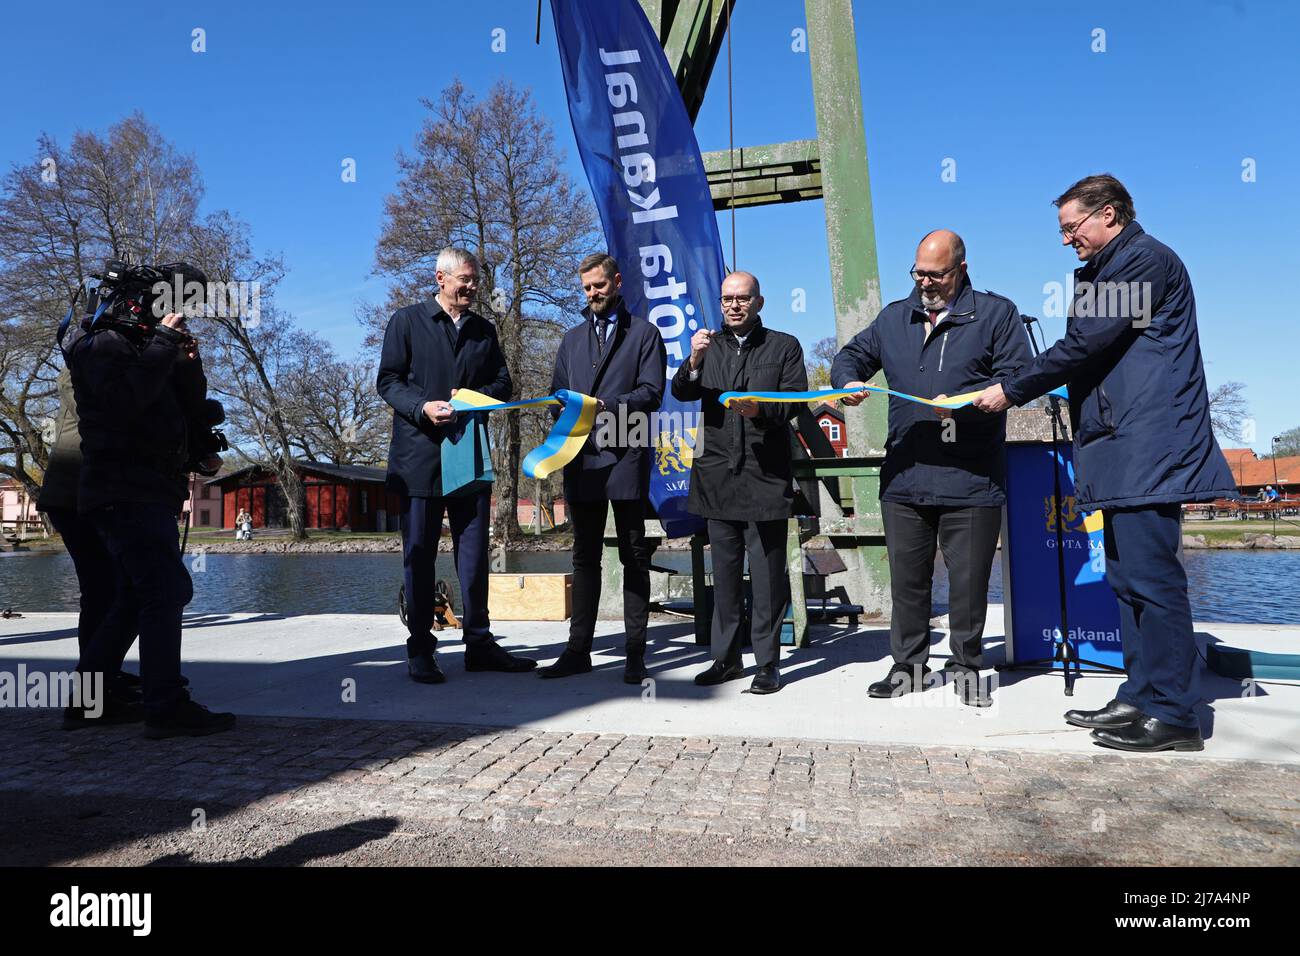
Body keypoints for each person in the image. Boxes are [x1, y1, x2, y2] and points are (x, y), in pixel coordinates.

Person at [972, 174, 1236, 753]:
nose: (1066, 240)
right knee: (1126, 579)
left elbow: (1086, 344)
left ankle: (1174, 715)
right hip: (1120, 445)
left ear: (1109, 215)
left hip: (1150, 444)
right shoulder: (1106, 270)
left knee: (1154, 579)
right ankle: (1140, 694)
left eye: (1072, 227)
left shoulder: (1143, 261)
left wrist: (1010, 389)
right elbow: (1089, 348)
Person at [831, 230, 1032, 707]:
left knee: (967, 583)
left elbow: (1020, 376)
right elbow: (850, 355)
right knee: (908, 580)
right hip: (905, 474)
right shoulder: (894, 318)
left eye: (935, 274)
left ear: (960, 268)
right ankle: (908, 668)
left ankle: (965, 666)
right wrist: (848, 379)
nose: (925, 281)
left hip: (972, 477)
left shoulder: (994, 314)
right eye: (918, 272)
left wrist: (966, 404)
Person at [63, 262, 234, 738]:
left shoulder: (144, 345)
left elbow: (186, 408)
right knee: (165, 591)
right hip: (122, 489)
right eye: (178, 302)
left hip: (147, 488)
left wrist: (186, 361)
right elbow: (124, 405)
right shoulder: (102, 344)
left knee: (136, 595)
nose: (184, 312)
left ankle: (87, 704)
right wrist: (162, 343)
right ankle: (165, 706)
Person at [377, 246, 537, 684]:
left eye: (475, 279)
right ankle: (420, 649)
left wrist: (471, 399)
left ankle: (479, 643)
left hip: (468, 452)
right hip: (420, 457)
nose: (471, 286)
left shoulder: (484, 330)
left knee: (474, 553)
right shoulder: (406, 321)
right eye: (463, 279)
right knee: (420, 555)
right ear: (440, 278)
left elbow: (503, 382)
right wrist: (422, 407)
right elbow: (387, 381)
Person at [671, 271, 806, 695]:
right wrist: (692, 361)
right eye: (727, 298)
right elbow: (681, 392)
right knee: (725, 576)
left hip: (765, 476)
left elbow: (795, 402)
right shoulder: (707, 347)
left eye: (742, 298)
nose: (734, 305)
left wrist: (759, 411)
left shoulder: (784, 346)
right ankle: (725, 659)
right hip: (716, 475)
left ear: (759, 303)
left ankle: (768, 663)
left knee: (766, 577)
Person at [537, 254, 665, 684]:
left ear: (617, 281)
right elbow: (556, 390)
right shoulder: (571, 339)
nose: (593, 293)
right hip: (582, 459)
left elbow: (651, 393)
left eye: (599, 285)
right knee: (584, 557)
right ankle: (578, 651)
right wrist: (562, 404)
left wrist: (608, 407)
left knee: (633, 555)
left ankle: (635, 653)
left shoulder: (645, 333)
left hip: (626, 452)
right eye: (586, 287)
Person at [37, 366, 142, 723]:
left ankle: (100, 679)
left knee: (107, 591)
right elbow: (107, 409)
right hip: (79, 495)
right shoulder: (87, 361)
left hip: (86, 493)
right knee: (112, 590)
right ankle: (92, 695)